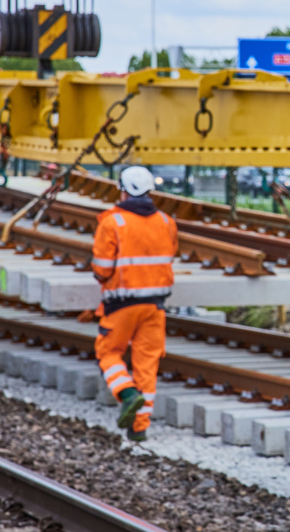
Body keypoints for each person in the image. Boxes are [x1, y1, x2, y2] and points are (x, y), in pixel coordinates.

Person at [91, 165, 178, 442]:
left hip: (121, 305)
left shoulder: (113, 222)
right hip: (155, 306)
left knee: (108, 353)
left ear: (123, 189)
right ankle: (139, 429)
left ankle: (128, 395)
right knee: (147, 363)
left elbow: (102, 269)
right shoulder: (166, 222)